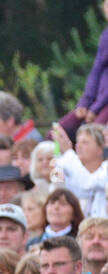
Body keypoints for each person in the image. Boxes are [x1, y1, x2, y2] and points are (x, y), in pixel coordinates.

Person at [58, 0, 108, 141]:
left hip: (103, 104)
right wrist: (85, 104)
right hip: (96, 102)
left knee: (94, 137)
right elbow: (96, 70)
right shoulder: (105, 36)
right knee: (58, 132)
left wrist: (95, 109)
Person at [50, 123, 108, 218]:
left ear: (101, 148)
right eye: (77, 142)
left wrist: (68, 152)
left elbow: (87, 183)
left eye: (85, 142)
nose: (78, 146)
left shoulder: (106, 168)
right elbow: (59, 191)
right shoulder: (74, 169)